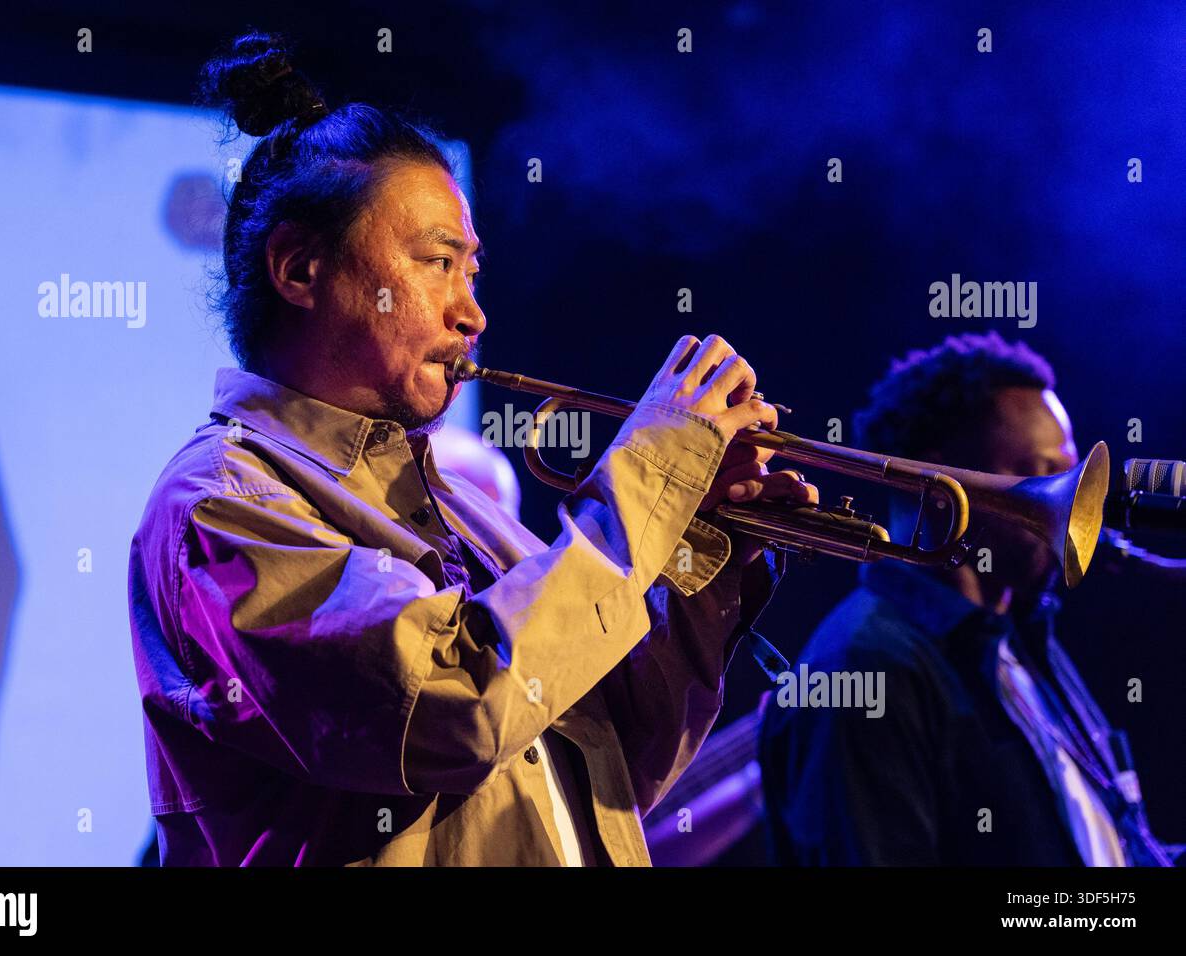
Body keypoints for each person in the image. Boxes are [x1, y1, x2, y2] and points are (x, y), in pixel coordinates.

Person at [127, 32, 816, 866]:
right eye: (437, 262)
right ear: (301, 269)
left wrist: (701, 542)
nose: (471, 312)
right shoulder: (220, 503)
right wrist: (651, 475)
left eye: (473, 271)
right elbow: (452, 707)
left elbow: (615, 761)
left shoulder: (462, 509)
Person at [759, 332, 1173, 866]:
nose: (1073, 512)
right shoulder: (865, 667)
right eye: (1043, 475)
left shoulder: (1018, 635)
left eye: (1070, 478)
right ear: (939, 485)